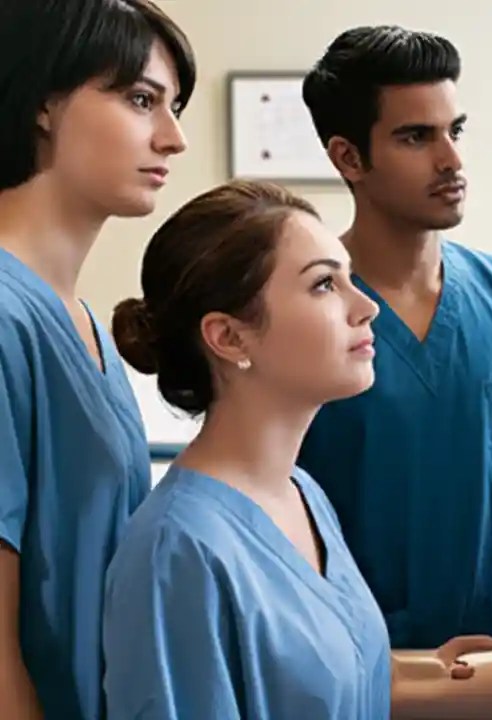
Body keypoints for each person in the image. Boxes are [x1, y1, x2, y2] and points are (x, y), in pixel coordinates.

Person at [101, 180, 492, 719]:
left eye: (351, 280)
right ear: (229, 335)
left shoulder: (302, 497)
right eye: (325, 286)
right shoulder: (178, 549)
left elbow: (374, 683)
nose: (365, 308)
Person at [295, 25, 492, 652]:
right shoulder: (305, 304)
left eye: (454, 132)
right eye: (416, 137)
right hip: (363, 667)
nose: (452, 161)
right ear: (349, 157)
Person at [0, 1, 195, 717]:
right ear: (47, 101)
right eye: (142, 100)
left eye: (173, 107)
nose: (173, 139)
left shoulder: (79, 323)